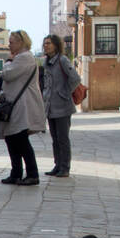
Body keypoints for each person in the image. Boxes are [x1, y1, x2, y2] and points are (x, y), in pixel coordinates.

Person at [0, 29, 45, 185]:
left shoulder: (25, 58)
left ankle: (32, 174)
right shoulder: (21, 58)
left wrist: (8, 61)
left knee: (21, 140)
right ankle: (16, 172)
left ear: (21, 42)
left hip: (22, 104)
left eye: (11, 42)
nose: (9, 45)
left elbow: (8, 74)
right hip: (14, 103)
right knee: (12, 139)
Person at [41, 34, 81, 178]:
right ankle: (57, 165)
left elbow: (75, 79)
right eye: (45, 43)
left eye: (49, 43)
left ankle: (65, 167)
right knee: (55, 138)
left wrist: (64, 92)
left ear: (56, 45)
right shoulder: (45, 63)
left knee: (63, 138)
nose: (46, 46)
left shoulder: (62, 60)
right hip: (50, 107)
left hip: (63, 106)